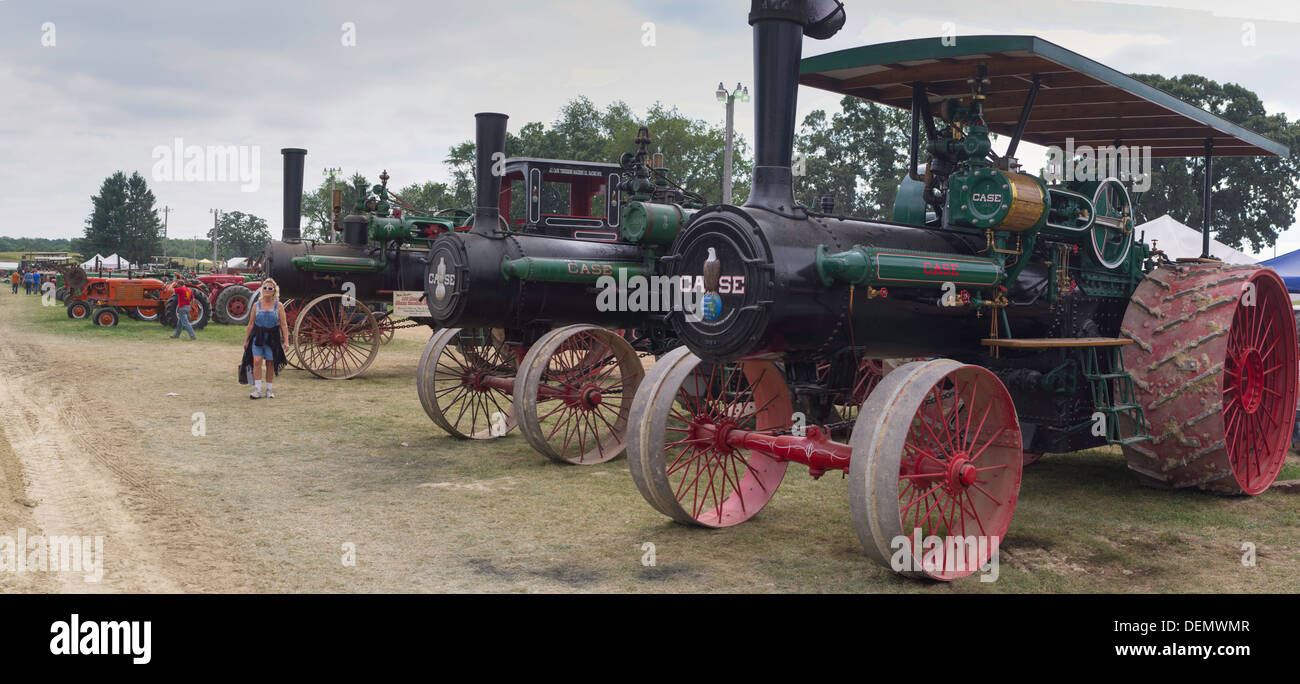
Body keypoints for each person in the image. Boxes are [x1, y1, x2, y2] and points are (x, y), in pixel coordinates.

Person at [242, 278, 289, 399]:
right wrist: (246, 340)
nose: (267, 290)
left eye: (270, 288)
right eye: (265, 288)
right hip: (258, 337)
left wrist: (286, 341)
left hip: (272, 338)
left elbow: (283, 324)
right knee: (257, 361)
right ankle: (257, 390)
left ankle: (269, 390)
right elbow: (251, 324)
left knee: (270, 363)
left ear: (274, 291)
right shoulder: (255, 305)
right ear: (262, 290)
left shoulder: (279, 306)